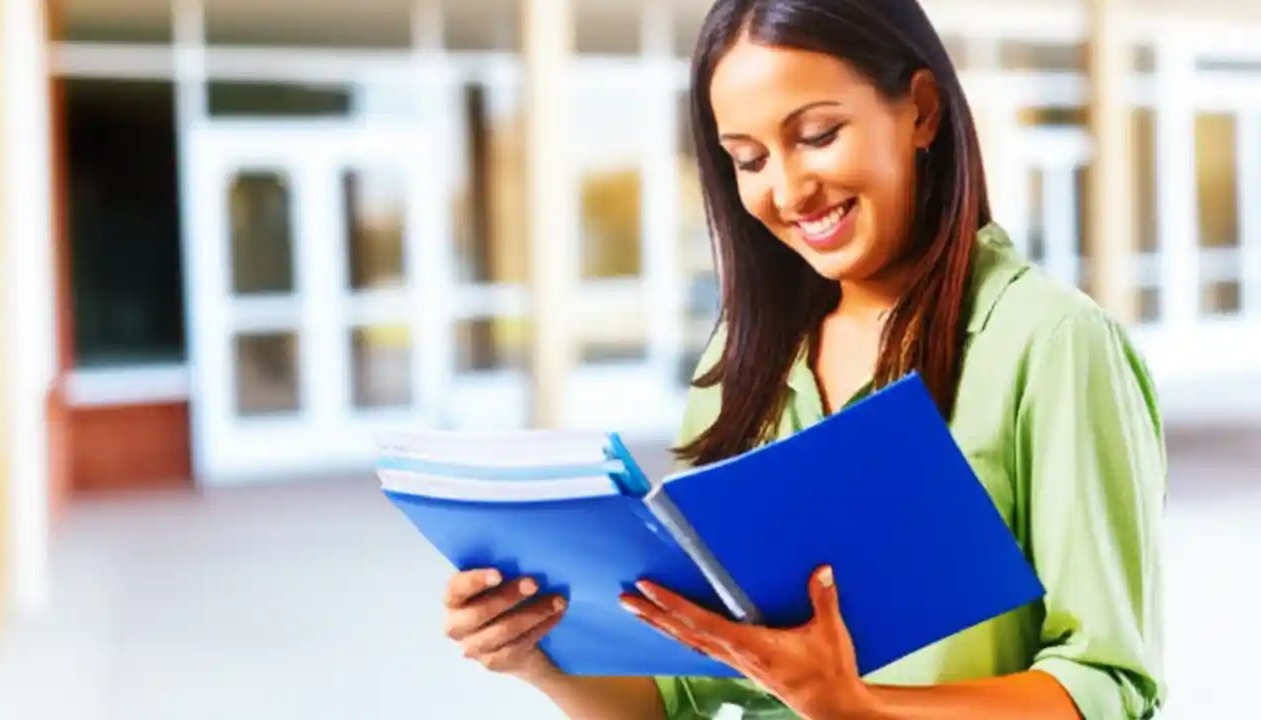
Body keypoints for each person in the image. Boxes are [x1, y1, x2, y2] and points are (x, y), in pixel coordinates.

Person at [439, 0, 1166, 717]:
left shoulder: (1049, 341)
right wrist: (541, 658)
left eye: (817, 135)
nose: (787, 190)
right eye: (748, 159)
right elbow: (689, 693)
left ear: (920, 111)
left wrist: (854, 707)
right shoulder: (745, 355)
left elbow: (1105, 685)